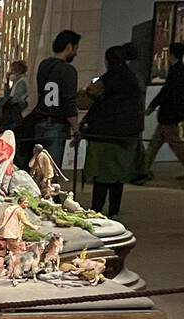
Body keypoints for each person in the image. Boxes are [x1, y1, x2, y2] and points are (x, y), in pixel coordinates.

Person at [79, 45, 145, 218]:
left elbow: (89, 94)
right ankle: (114, 211)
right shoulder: (133, 79)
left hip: (103, 134)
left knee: (101, 176)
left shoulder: (107, 79)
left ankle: (96, 209)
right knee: (118, 177)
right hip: (126, 135)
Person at [141, 41, 184, 180]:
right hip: (174, 113)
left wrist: (153, 105)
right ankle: (143, 168)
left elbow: (166, 92)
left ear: (172, 54)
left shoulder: (175, 71)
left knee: (168, 144)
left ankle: (142, 169)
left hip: (169, 114)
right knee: (165, 144)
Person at [29, 30, 81, 172]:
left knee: (39, 166)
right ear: (69, 47)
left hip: (40, 120)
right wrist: (76, 127)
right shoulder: (68, 70)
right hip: (57, 123)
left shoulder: (43, 65)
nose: (76, 53)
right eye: (76, 49)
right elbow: (68, 101)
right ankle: (49, 193)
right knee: (51, 169)